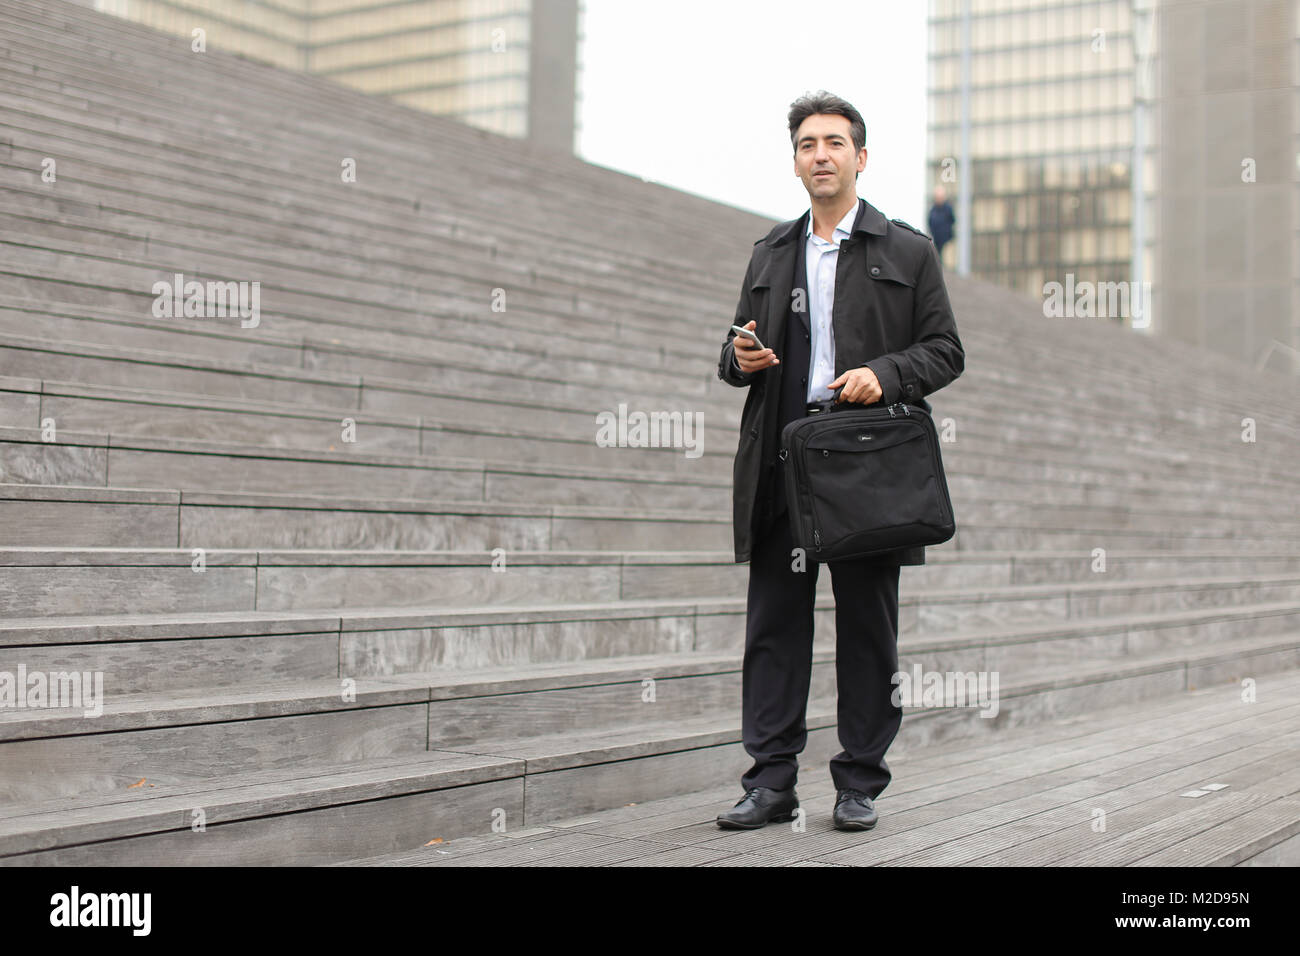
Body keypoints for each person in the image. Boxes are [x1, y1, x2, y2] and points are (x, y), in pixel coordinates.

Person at [715, 90, 964, 832]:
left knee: (867, 630)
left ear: (860, 157)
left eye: (833, 143)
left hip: (865, 469)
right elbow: (732, 358)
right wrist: (739, 357)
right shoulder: (769, 252)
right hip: (783, 467)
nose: (819, 155)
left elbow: (945, 350)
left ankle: (859, 781)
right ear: (795, 162)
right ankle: (770, 782)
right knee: (774, 629)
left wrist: (886, 374)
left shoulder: (907, 250)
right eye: (806, 145)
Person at [927, 185, 955, 262]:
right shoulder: (933, 210)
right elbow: (930, 223)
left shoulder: (948, 209)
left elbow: (952, 221)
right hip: (936, 239)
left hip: (946, 239)